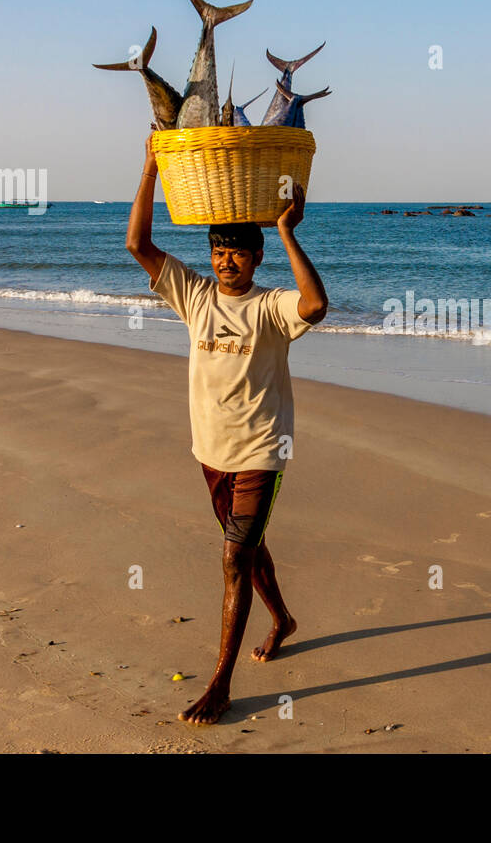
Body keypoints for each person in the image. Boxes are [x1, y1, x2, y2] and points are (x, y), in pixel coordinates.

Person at [126, 131, 328, 725]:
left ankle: (221, 683)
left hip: (262, 451)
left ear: (257, 257)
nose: (226, 259)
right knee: (249, 548)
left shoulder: (270, 308)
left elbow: (315, 306)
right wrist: (150, 166)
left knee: (232, 558)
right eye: (219, 249)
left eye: (238, 251)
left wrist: (288, 231)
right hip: (210, 452)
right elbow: (138, 242)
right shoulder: (194, 295)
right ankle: (284, 620)